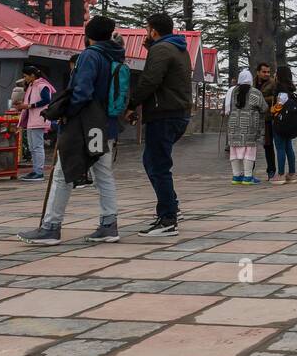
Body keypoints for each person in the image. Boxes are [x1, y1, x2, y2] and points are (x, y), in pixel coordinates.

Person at [18, 17, 125, 245]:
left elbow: (82, 91)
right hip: (106, 124)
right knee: (103, 174)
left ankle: (51, 227)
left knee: (62, 172)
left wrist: (67, 112)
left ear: (88, 35)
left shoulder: (90, 55)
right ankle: (109, 225)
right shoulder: (115, 56)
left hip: (83, 124)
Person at [126, 13, 192, 237]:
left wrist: (132, 104)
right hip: (177, 112)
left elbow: (150, 80)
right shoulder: (179, 48)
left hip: (164, 113)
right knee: (153, 161)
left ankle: (167, 219)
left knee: (157, 165)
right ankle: (171, 206)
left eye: (147, 30)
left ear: (153, 31)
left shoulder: (161, 50)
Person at [226, 69, 267, 185]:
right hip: (249, 125)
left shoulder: (233, 91)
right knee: (249, 150)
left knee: (234, 149)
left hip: (233, 124)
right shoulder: (255, 92)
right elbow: (264, 107)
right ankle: (248, 177)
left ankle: (236, 176)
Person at [18, 65, 55, 181]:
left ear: (32, 75)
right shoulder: (32, 85)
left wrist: (29, 106)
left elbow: (46, 100)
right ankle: (35, 170)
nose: (25, 79)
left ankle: (39, 172)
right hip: (31, 119)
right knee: (32, 147)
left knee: (37, 146)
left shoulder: (43, 85)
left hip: (39, 119)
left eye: (25, 76)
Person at [270, 65, 297, 183]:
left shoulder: (281, 90)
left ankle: (281, 174)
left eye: (276, 73)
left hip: (280, 123)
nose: (274, 75)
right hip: (289, 123)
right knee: (289, 147)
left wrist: (271, 110)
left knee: (280, 148)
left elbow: (278, 106)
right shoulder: (290, 90)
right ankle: (292, 173)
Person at [255, 62, 277, 180]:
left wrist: (261, 99)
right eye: (264, 72)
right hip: (254, 117)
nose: (266, 74)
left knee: (268, 145)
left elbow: (276, 98)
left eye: (268, 72)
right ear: (258, 72)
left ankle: (271, 170)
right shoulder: (252, 82)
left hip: (267, 118)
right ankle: (249, 171)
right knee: (251, 145)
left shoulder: (273, 83)